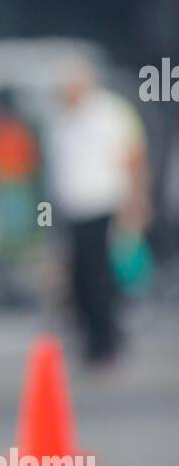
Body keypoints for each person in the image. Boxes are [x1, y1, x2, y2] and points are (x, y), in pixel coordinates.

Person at [46, 56, 151, 364]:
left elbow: (133, 157)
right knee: (79, 281)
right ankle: (92, 342)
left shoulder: (110, 113)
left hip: (104, 206)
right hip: (75, 211)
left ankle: (107, 344)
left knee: (101, 279)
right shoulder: (63, 122)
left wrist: (136, 200)